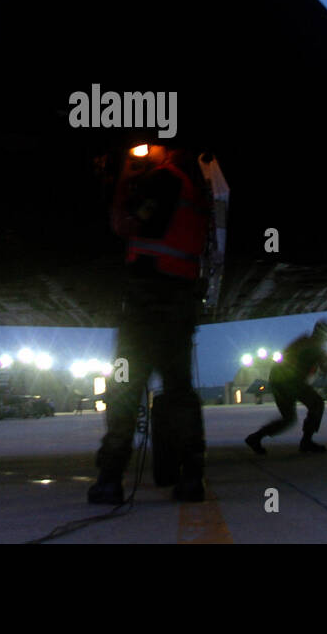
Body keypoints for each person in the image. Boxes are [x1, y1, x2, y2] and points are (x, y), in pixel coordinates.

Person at [89, 144, 211, 504]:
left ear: (166, 151)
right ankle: (191, 478)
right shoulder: (192, 188)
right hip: (178, 302)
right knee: (179, 390)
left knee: (125, 388)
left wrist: (124, 181)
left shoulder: (163, 181)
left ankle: (110, 479)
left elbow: (126, 225)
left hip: (147, 305)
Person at [245, 319, 327, 454]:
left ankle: (255, 437)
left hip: (278, 379)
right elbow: (324, 369)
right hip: (290, 382)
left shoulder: (303, 340)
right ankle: (306, 442)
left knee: (289, 418)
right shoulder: (315, 347)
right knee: (316, 404)